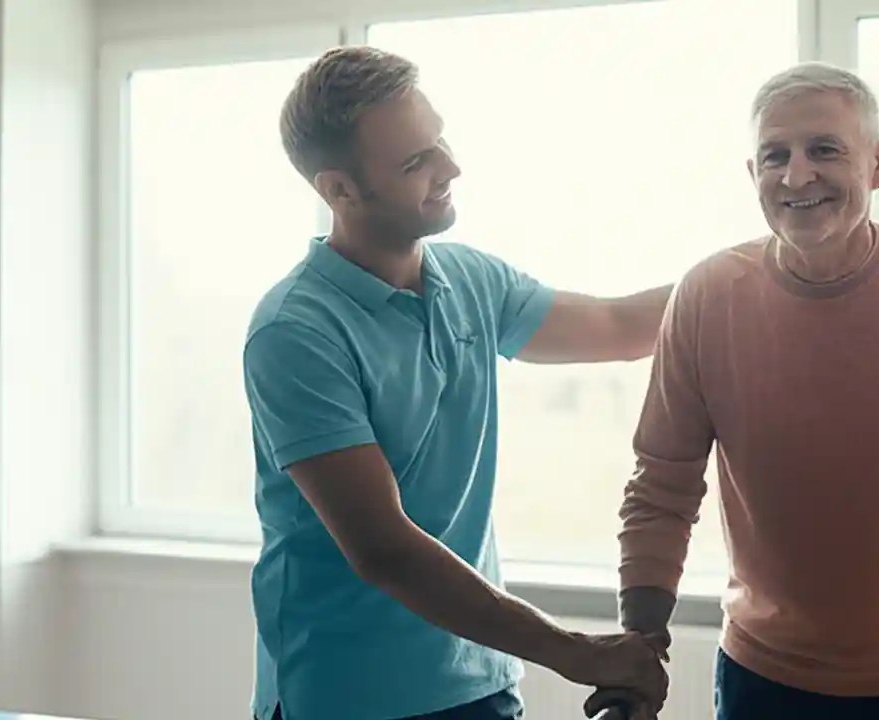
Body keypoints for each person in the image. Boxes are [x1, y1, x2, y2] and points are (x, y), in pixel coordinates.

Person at [587, 62, 879, 720]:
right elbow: (660, 491)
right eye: (775, 156)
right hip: (762, 681)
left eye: (825, 150)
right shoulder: (706, 297)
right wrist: (639, 658)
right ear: (752, 173)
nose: (796, 176)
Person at [243, 46, 673, 720]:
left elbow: (619, 326)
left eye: (439, 141)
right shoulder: (294, 332)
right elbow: (385, 550)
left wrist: (761, 273)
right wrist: (577, 653)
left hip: (478, 682)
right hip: (347, 698)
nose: (450, 168)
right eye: (416, 162)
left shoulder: (471, 281)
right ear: (339, 190)